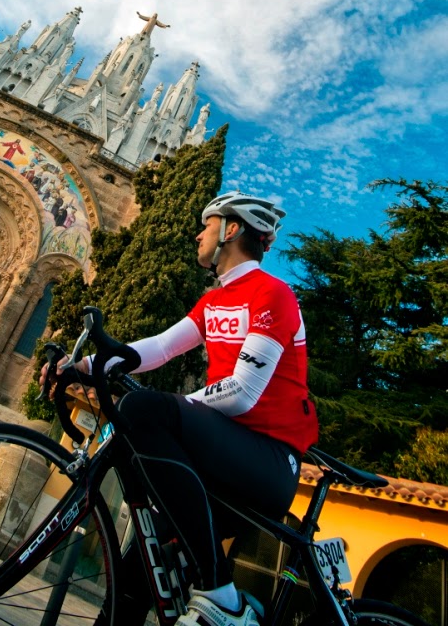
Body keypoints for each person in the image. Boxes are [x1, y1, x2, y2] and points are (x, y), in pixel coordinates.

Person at [42, 190, 318, 626]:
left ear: (231, 229)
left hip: (269, 459)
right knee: (139, 571)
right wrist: (81, 367)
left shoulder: (274, 294)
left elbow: (242, 393)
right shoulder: (213, 301)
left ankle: (223, 597)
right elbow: (160, 348)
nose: (196, 234)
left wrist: (167, 406)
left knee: (142, 409)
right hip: (219, 461)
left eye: (206, 225)